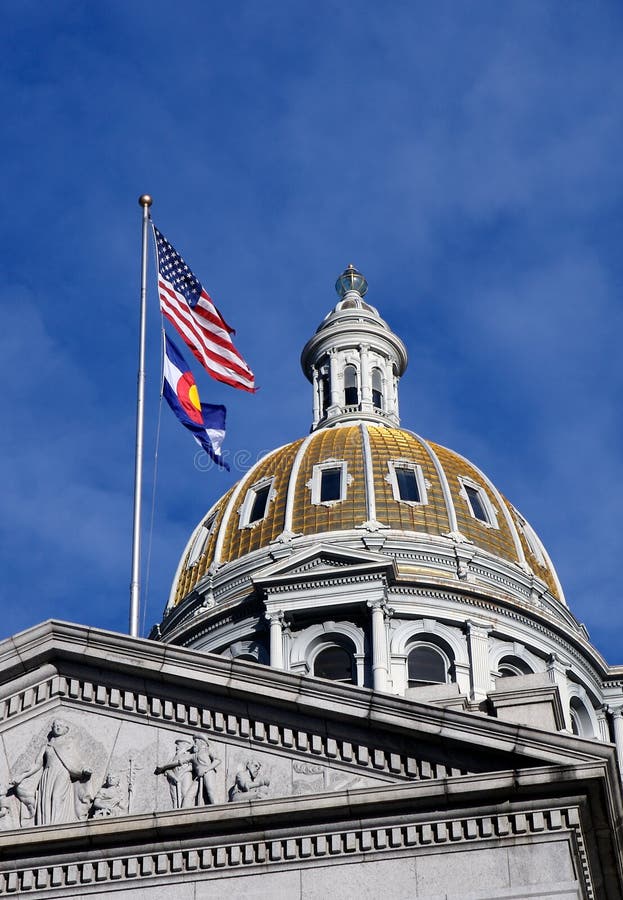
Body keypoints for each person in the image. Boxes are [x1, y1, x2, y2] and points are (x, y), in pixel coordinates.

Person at [11, 720, 92, 826]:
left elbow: (77, 759)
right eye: (56, 726)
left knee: (57, 796)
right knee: (47, 800)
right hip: (48, 774)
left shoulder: (69, 744)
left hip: (62, 772)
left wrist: (84, 768)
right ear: (52, 728)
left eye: (60, 726)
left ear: (66, 729)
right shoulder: (46, 746)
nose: (58, 728)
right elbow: (37, 764)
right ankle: (47, 824)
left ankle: (57, 824)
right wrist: (22, 776)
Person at [154, 738, 194, 809]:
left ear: (185, 746)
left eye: (179, 745)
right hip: (174, 778)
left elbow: (192, 766)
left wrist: (183, 772)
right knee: (174, 798)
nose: (177, 747)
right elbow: (167, 771)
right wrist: (174, 777)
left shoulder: (189, 755)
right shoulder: (172, 758)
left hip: (185, 776)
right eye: (177, 745)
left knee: (185, 794)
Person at [190, 735, 221, 806]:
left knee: (211, 792)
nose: (194, 744)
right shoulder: (194, 755)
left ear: (201, 742)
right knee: (189, 795)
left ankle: (217, 810)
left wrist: (206, 770)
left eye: (195, 742)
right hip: (199, 776)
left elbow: (217, 760)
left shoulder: (207, 750)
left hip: (208, 773)